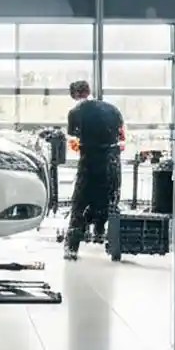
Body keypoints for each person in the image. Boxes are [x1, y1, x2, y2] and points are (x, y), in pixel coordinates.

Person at [62, 80, 125, 260]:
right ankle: (104, 235)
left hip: (90, 160)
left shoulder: (75, 112)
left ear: (74, 95)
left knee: (81, 201)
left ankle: (72, 247)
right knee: (110, 199)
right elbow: (121, 135)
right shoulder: (112, 109)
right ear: (89, 90)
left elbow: (74, 135)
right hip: (111, 160)